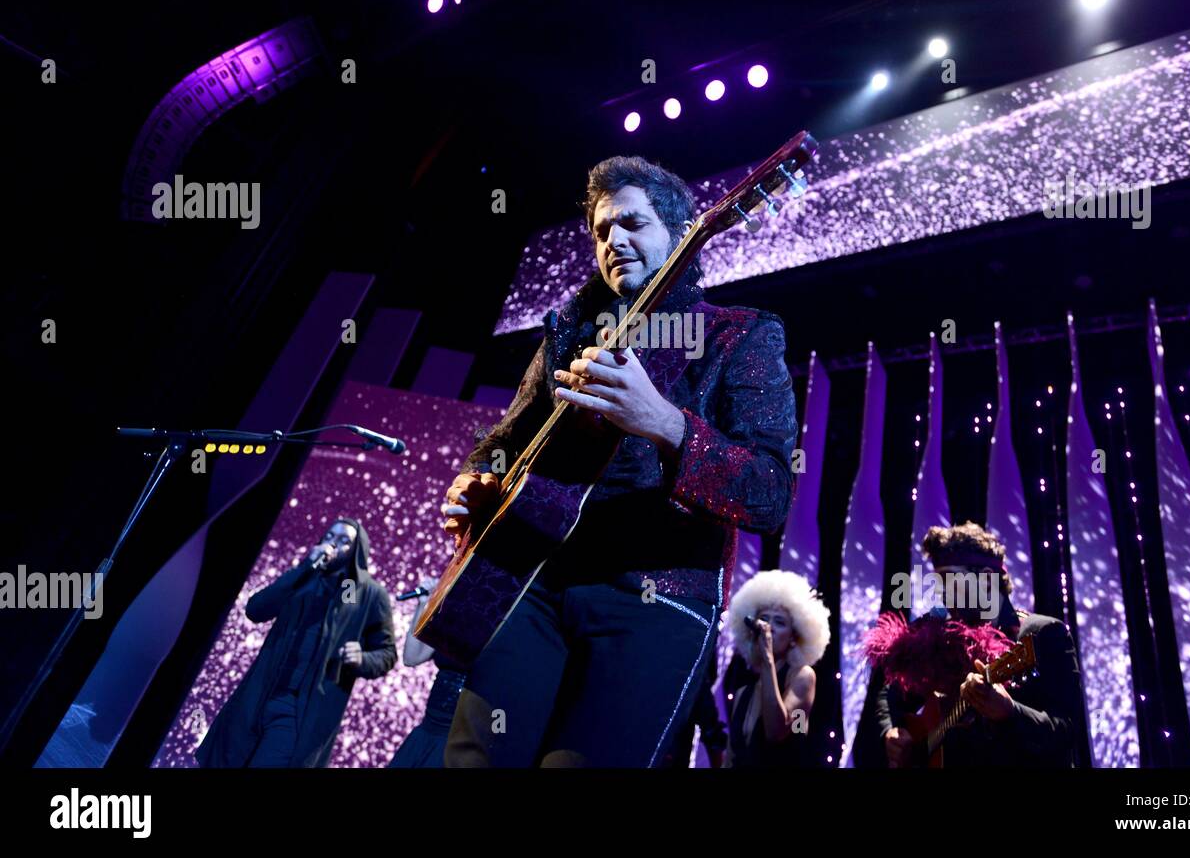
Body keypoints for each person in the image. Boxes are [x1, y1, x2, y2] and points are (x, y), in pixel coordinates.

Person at [441, 155, 799, 767]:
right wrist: (477, 476)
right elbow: (505, 437)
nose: (614, 241)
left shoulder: (742, 335)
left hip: (653, 599)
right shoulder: (567, 333)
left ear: (683, 231)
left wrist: (664, 423)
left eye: (632, 224)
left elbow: (768, 493)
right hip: (532, 580)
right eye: (602, 231)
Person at [857, 521, 1083, 768]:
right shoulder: (941, 635)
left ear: (986, 580)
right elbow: (890, 692)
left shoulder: (1044, 634)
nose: (941, 593)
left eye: (948, 580)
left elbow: (1067, 731)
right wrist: (891, 732)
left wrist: (1010, 711)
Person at [195, 517, 396, 767]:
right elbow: (256, 609)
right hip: (261, 694)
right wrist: (304, 568)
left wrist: (363, 658)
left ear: (357, 550)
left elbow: (387, 653)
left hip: (300, 711)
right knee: (231, 758)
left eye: (345, 541)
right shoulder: (304, 577)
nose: (334, 544)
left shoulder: (365, 593)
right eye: (331, 537)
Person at [722, 570, 829, 768]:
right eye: (764, 619)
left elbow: (775, 732)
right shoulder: (742, 694)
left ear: (793, 638)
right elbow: (731, 758)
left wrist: (768, 659)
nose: (768, 627)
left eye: (779, 622)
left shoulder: (803, 676)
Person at [388, 577, 467, 767]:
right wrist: (425, 603)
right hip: (429, 728)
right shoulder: (455, 612)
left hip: (459, 736)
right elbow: (412, 656)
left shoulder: (504, 618)